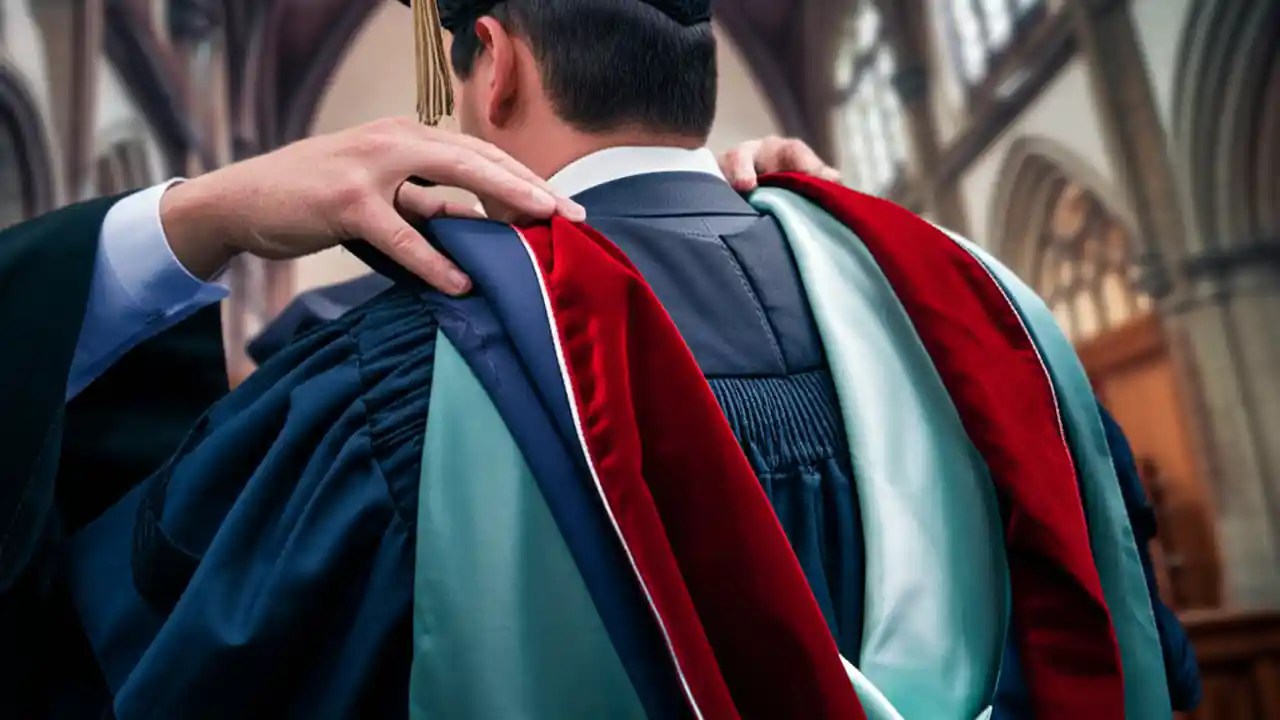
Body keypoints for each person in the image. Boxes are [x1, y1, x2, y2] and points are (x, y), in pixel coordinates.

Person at [9, 1, 1197, 718]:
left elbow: (116, 660)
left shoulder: (383, 391)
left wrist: (190, 220)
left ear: (494, 61)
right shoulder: (993, 331)